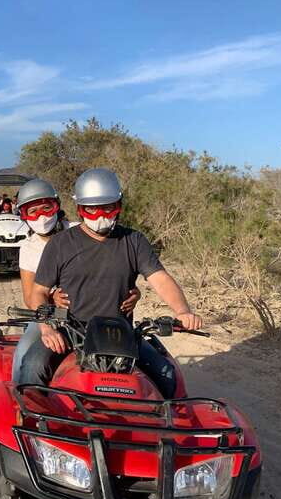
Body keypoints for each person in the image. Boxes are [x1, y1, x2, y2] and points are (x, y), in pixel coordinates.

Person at [19, 168, 203, 398]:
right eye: (92, 209)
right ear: (80, 209)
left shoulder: (134, 241)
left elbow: (161, 278)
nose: (100, 215)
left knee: (167, 374)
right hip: (71, 330)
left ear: (119, 205)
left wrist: (183, 311)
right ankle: (29, 425)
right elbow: (38, 292)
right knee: (33, 367)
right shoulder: (60, 244)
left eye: (108, 207)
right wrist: (47, 327)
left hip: (121, 334)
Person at [11, 178, 141, 381]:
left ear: (58, 206)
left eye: (47, 207)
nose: (42, 216)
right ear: (23, 215)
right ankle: (24, 406)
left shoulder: (81, 230)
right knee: (26, 358)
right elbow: (31, 296)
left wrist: (134, 291)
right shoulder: (28, 247)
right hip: (51, 316)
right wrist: (51, 300)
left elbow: (112, 264)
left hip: (96, 316)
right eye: (33, 211)